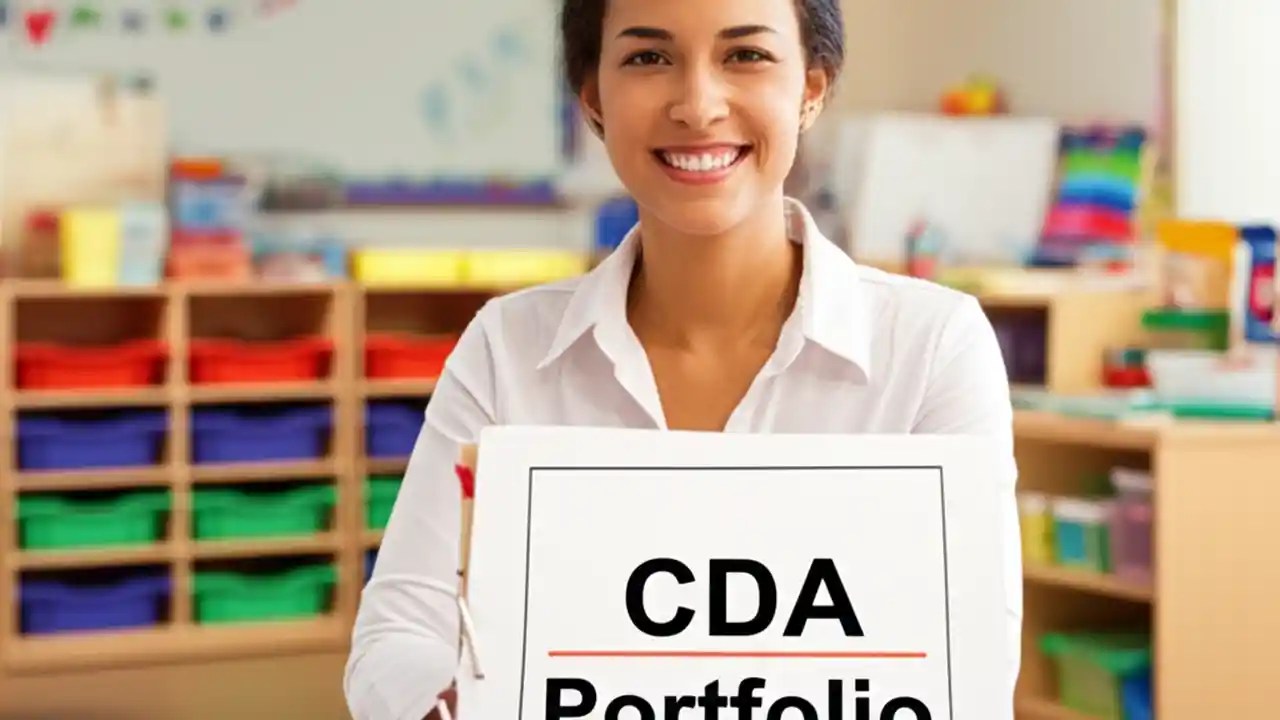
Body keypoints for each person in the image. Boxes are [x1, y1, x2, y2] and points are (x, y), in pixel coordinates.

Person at [343, 0, 1022, 717]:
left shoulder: (932, 344)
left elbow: (965, 671)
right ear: (594, 99)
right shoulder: (508, 347)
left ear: (811, 90)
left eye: (746, 56)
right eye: (648, 57)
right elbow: (399, 638)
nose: (698, 105)